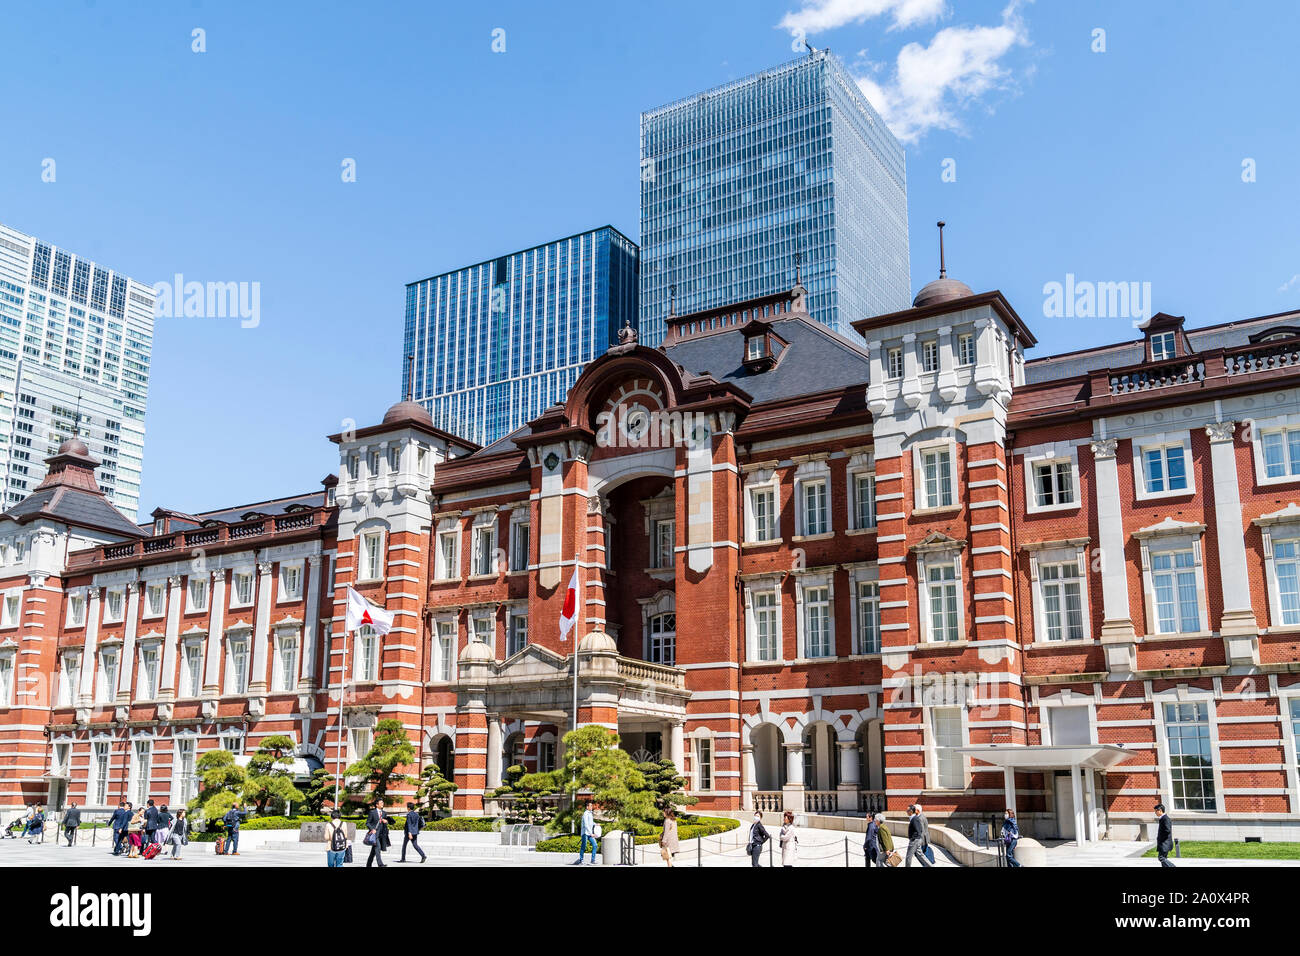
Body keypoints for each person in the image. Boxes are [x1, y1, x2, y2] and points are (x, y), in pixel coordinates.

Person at [365, 801, 394, 868]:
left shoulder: (384, 813)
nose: (382, 804)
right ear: (377, 804)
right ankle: (380, 864)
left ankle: (368, 865)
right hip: (375, 835)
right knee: (378, 848)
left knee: (373, 852)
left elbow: (386, 822)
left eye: (383, 803)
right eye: (381, 803)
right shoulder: (372, 812)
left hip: (382, 835)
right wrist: (372, 829)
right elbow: (368, 823)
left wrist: (386, 821)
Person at [573, 801, 599, 866]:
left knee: (595, 845)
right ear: (587, 807)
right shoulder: (585, 814)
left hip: (589, 833)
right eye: (590, 806)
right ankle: (581, 860)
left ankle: (592, 861)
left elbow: (591, 822)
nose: (592, 807)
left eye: (592, 806)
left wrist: (596, 824)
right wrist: (591, 833)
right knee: (583, 846)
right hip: (585, 833)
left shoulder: (590, 813)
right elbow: (586, 824)